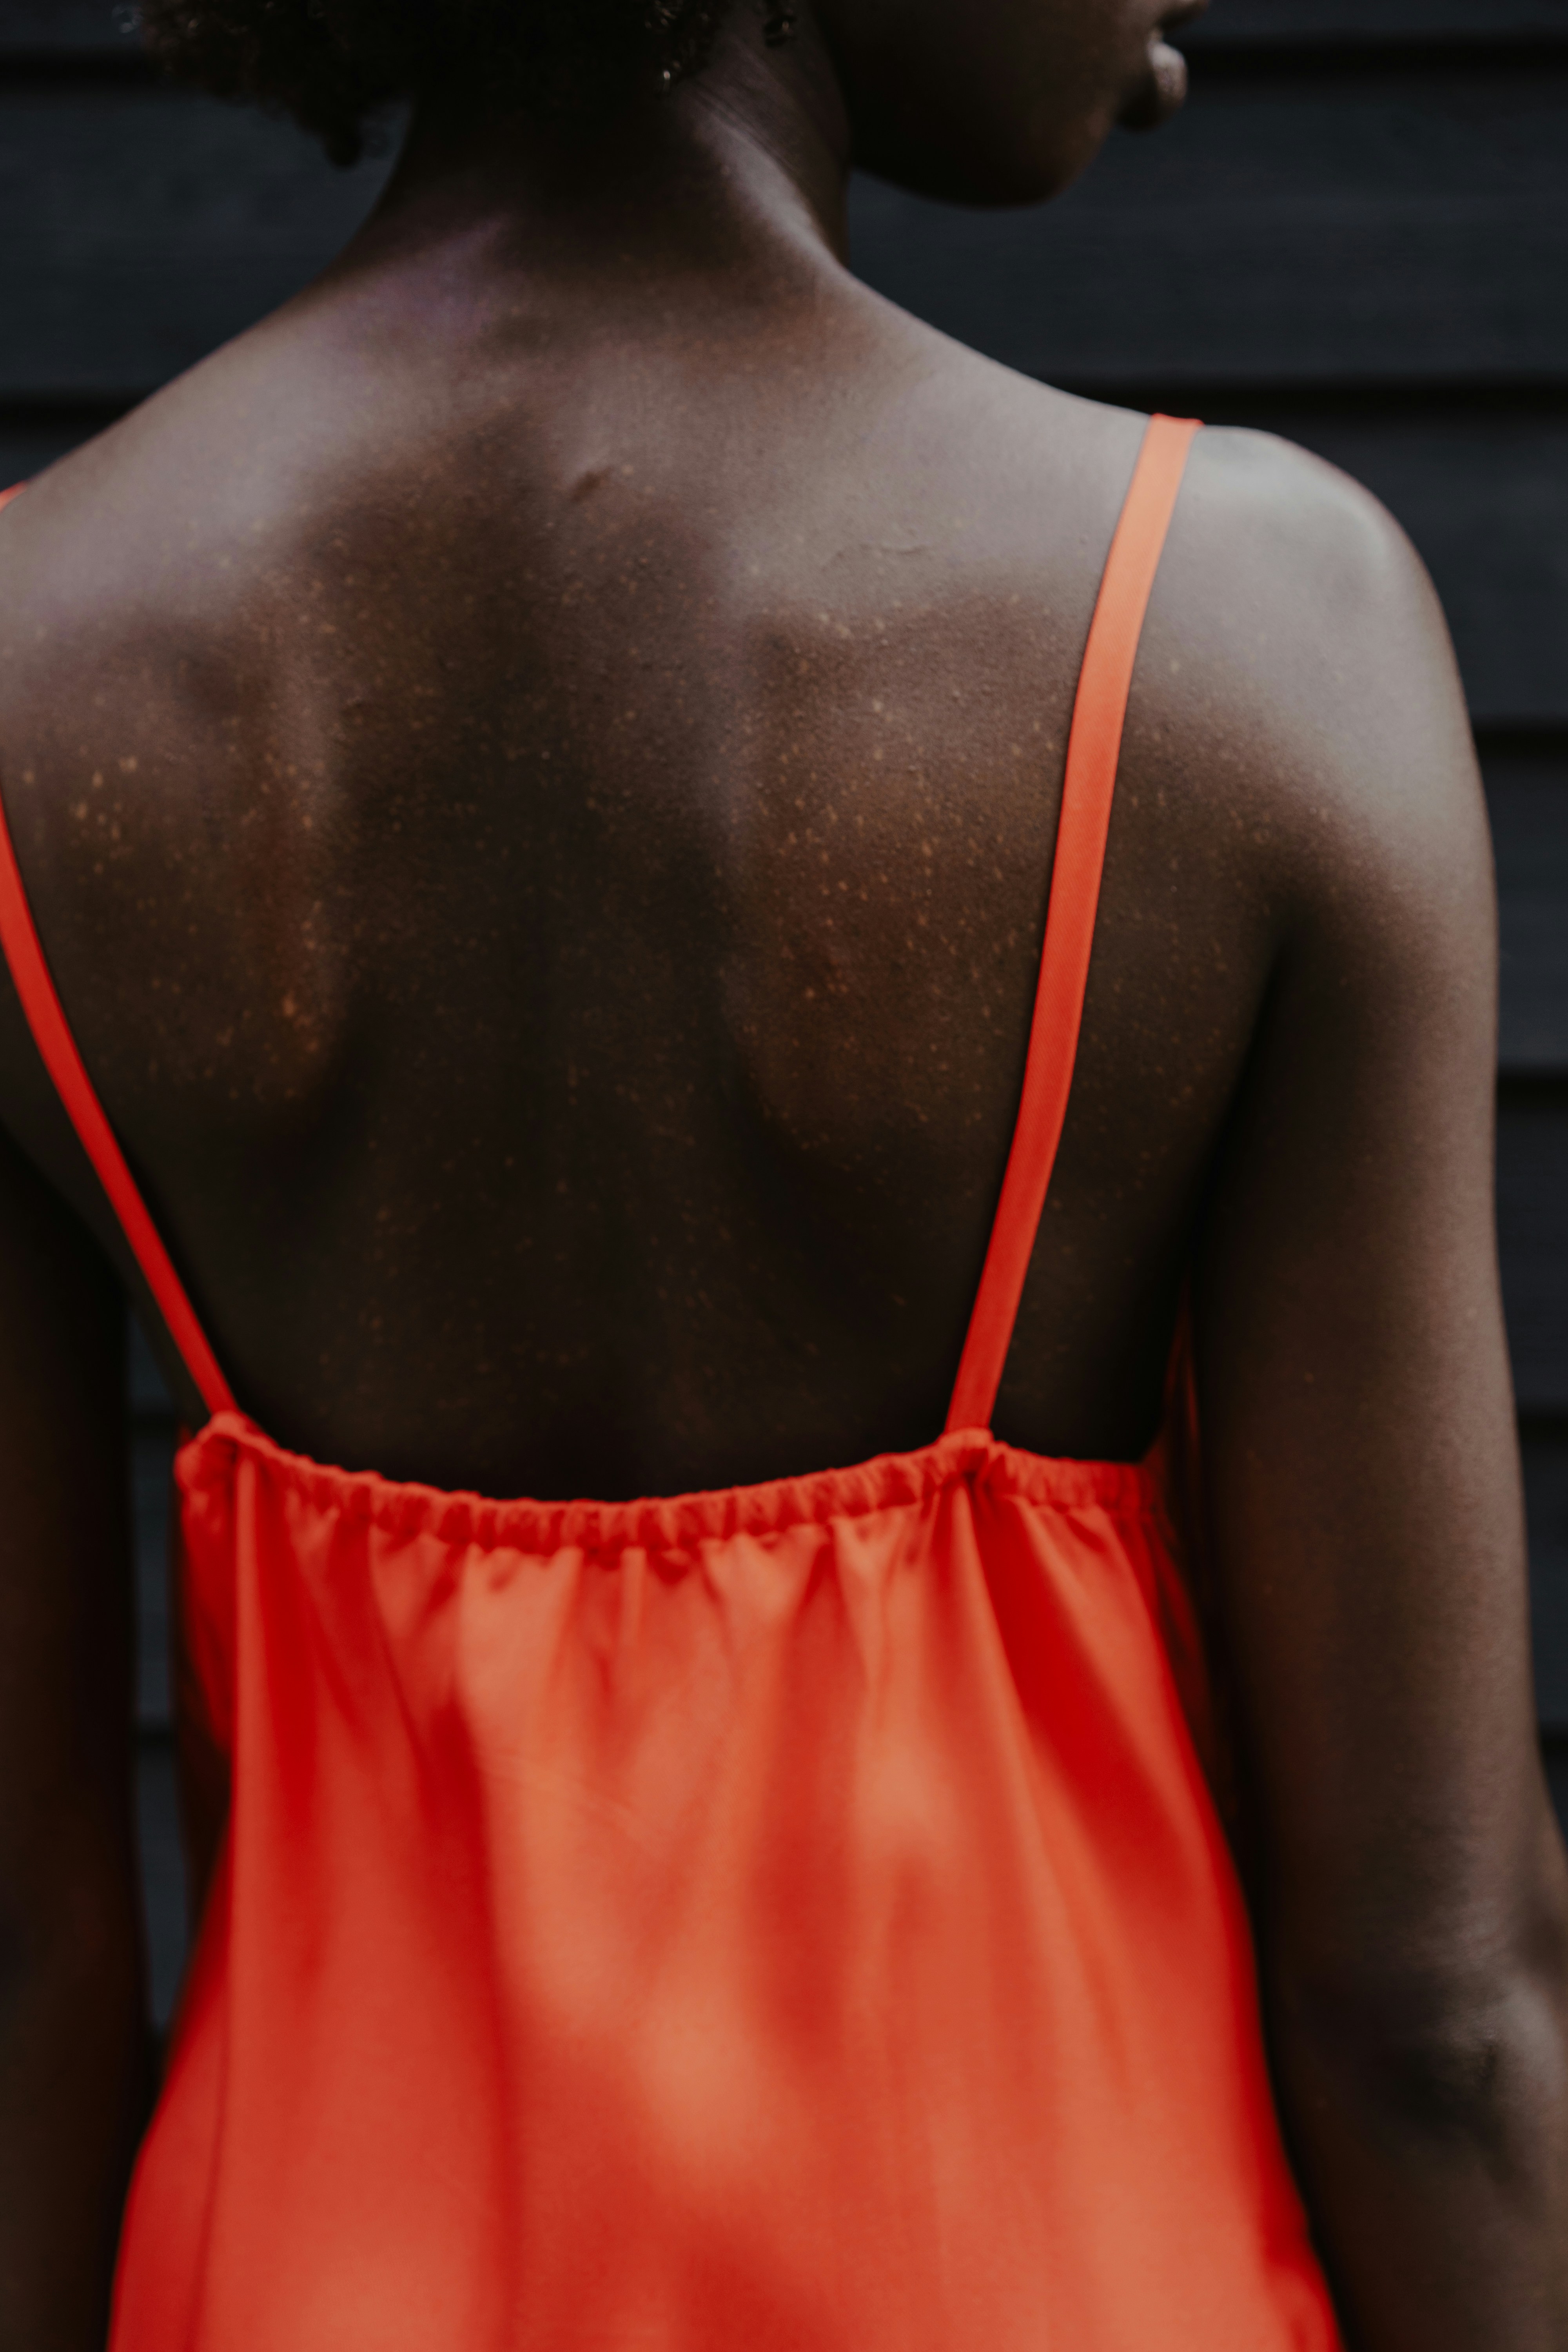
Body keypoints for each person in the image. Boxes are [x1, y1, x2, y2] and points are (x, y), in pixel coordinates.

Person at [0, 0, 1564, 2343]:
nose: (1171, 43)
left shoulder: (34, 662)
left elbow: (23, 1961)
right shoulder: (1242, 643)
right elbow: (1431, 2015)